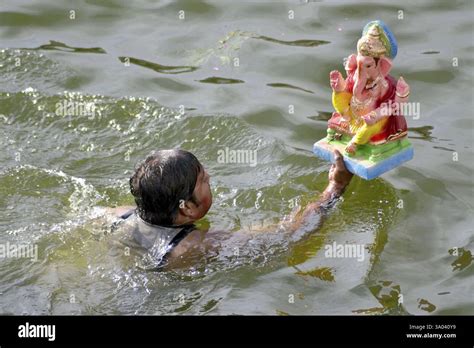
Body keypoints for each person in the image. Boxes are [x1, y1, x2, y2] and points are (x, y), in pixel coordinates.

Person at [110, 148, 353, 270]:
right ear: (188, 209)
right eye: (203, 180)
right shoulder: (196, 246)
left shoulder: (118, 215)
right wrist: (334, 188)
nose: (210, 177)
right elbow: (288, 234)